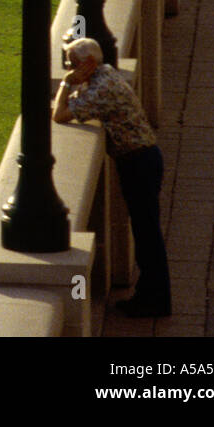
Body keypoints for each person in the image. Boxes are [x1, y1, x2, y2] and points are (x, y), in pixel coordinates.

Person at [53, 37, 170, 318]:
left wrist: (67, 82)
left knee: (147, 236)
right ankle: (151, 295)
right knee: (146, 234)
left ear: (89, 63)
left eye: (73, 63)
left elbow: (59, 114)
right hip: (143, 159)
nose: (69, 67)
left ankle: (154, 301)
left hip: (138, 164)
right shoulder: (105, 74)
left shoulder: (102, 88)